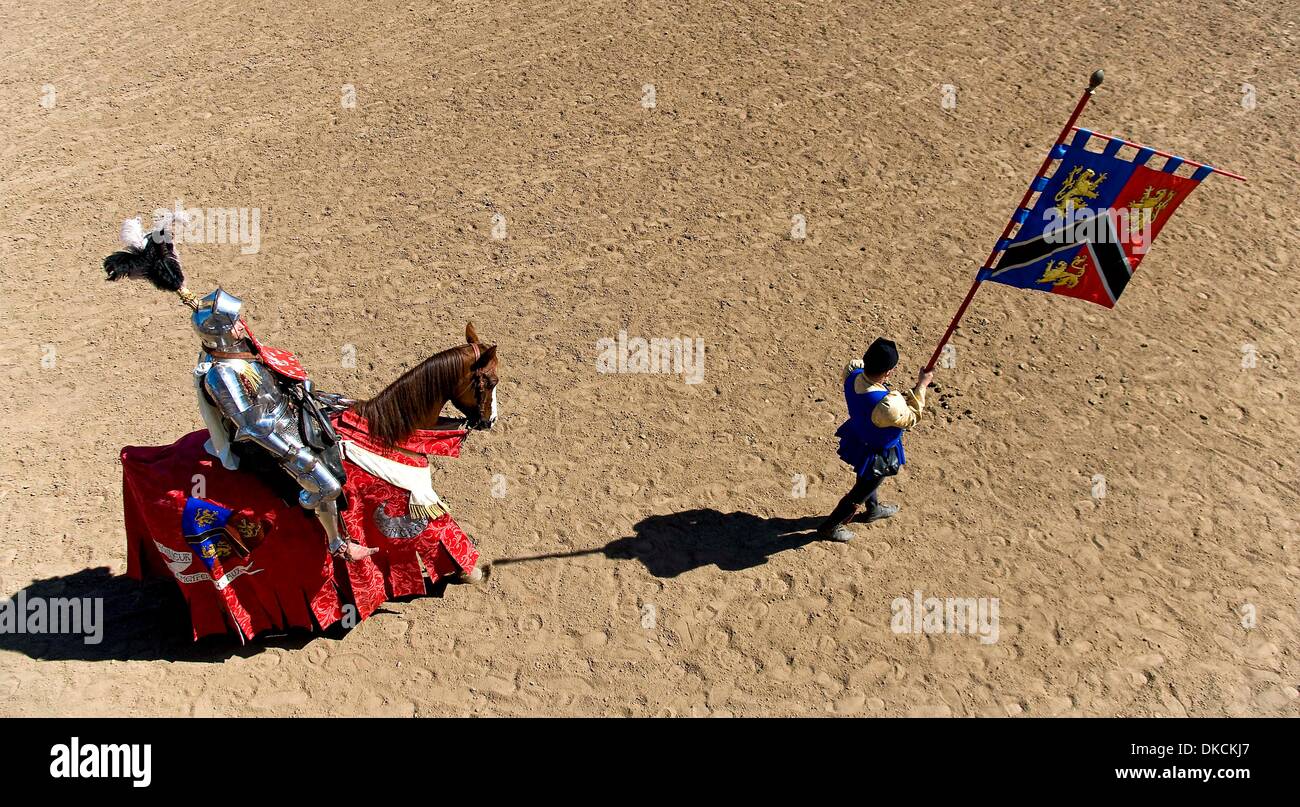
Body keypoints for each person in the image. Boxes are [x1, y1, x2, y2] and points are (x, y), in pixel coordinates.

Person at [191, 288, 375, 562]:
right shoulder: (221, 376)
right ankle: (337, 543)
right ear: (221, 334)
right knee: (328, 486)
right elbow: (253, 426)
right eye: (235, 323)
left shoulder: (239, 350)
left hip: (285, 409)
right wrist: (298, 456)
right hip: (266, 438)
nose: (242, 324)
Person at [817, 337, 933, 541]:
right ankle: (831, 526)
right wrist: (921, 386)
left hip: (859, 438)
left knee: (867, 480)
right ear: (888, 372)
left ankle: (873, 509)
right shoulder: (887, 406)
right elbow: (912, 416)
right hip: (877, 450)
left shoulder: (852, 374)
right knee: (860, 491)